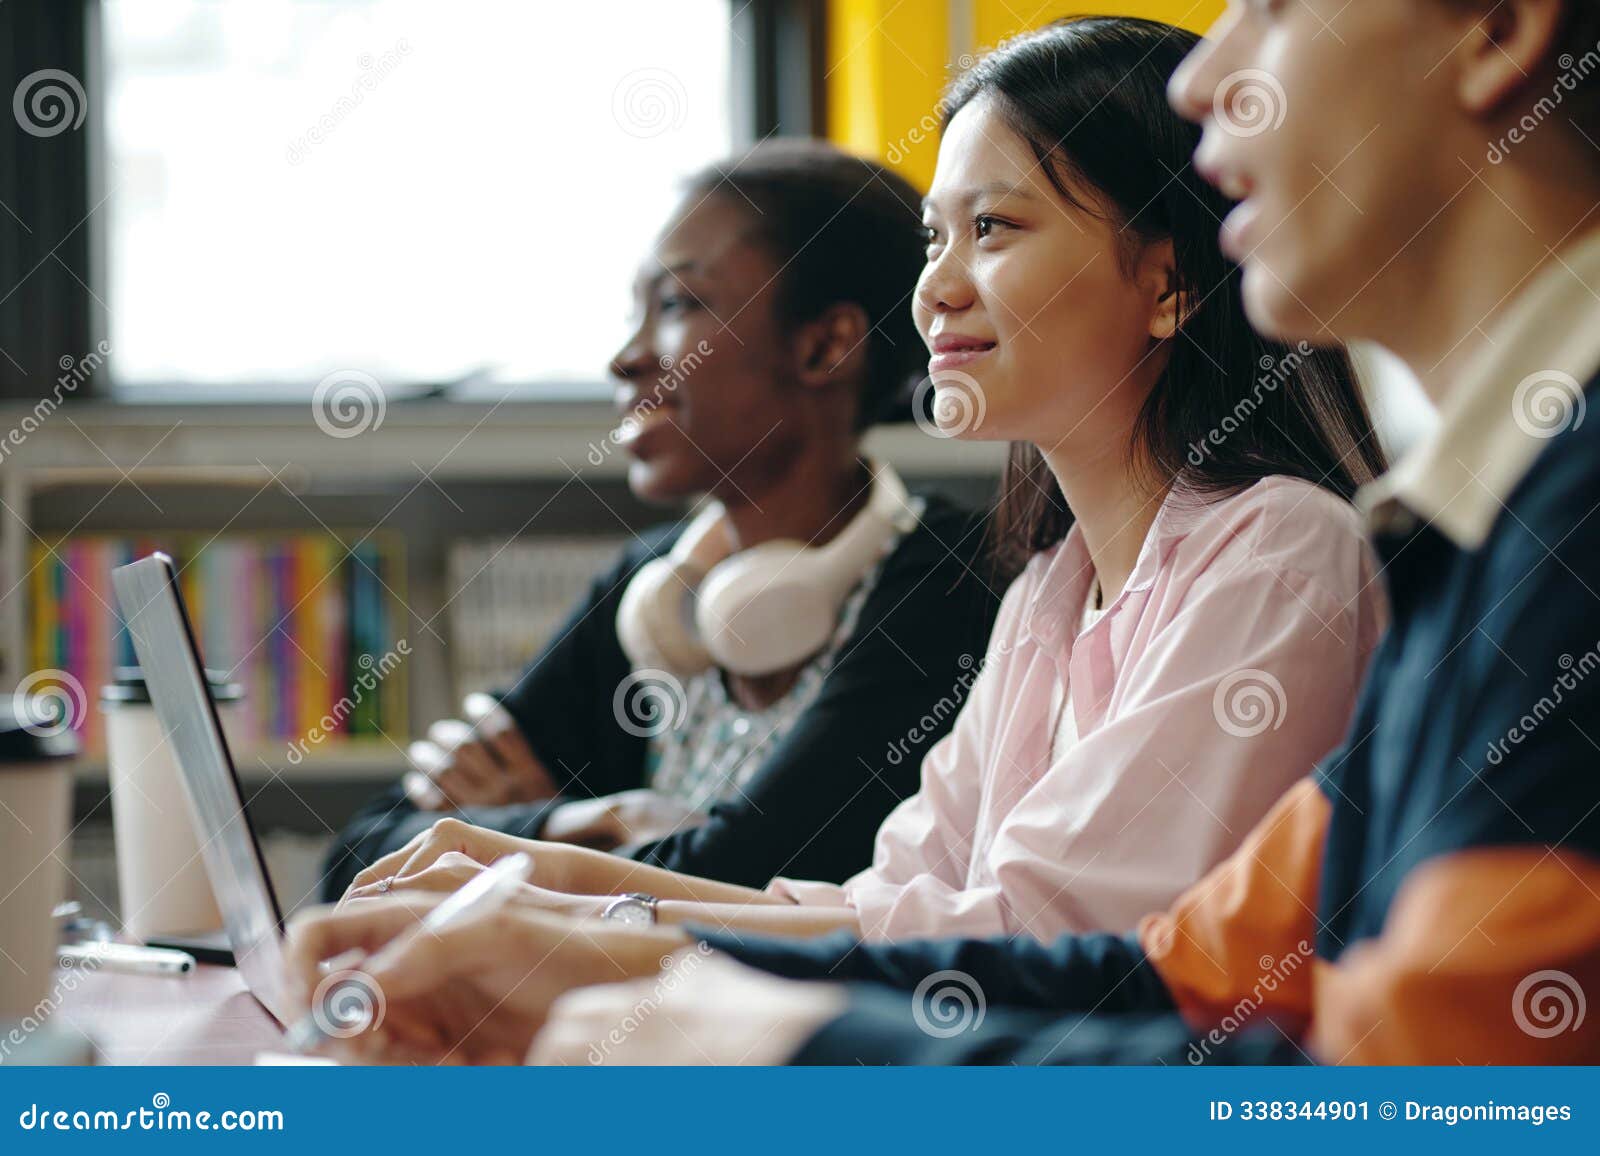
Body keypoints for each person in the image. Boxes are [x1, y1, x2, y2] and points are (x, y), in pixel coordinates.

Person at [321, 0, 1600, 1066]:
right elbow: (1148, 960)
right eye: (938, 235)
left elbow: (1434, 1089)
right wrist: (581, 917)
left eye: (990, 229)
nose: (1215, 77)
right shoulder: (1067, 589)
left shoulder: (1318, 548)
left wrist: (702, 999)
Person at [318, 140, 1003, 901]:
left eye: (677, 305)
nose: (625, 359)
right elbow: (360, 856)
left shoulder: (946, 584)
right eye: (633, 315)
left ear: (825, 344)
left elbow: (740, 881)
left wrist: (509, 827)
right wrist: (586, 824)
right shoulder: (652, 584)